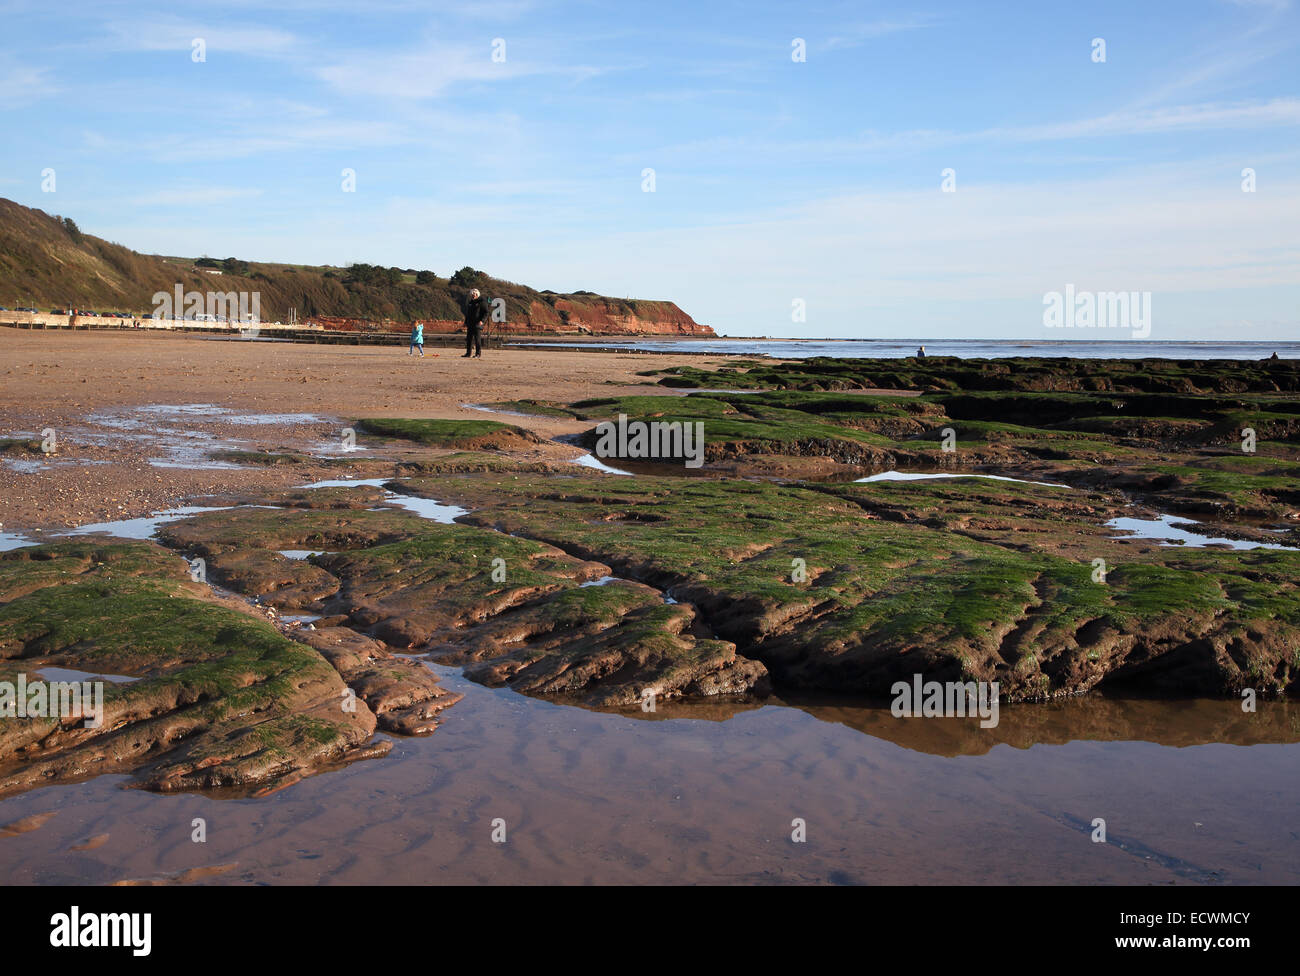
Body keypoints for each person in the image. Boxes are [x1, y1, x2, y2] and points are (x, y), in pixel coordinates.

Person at [462, 288, 490, 358]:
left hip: (478, 324)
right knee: (469, 339)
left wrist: (482, 321)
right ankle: (468, 353)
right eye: (472, 294)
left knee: (477, 340)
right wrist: (465, 322)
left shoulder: (482, 301)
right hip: (470, 323)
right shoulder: (471, 302)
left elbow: (486, 312)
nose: (473, 295)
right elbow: (468, 314)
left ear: (477, 294)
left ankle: (478, 354)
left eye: (474, 294)